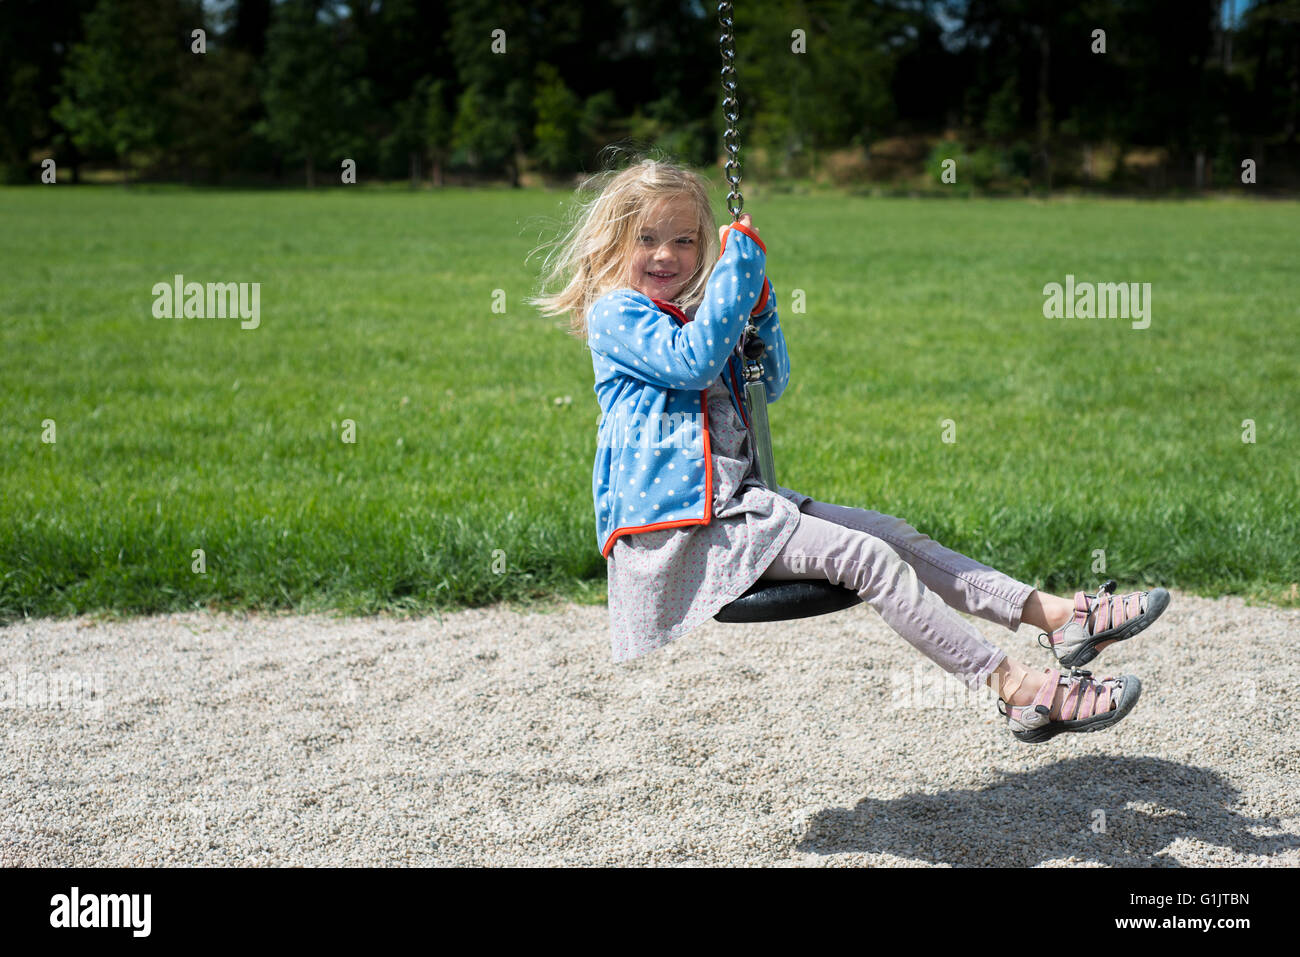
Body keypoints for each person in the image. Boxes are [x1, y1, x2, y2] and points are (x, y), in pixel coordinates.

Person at [529, 156, 1169, 743]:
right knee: (869, 558)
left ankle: (1059, 617)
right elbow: (691, 364)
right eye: (646, 238)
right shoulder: (617, 313)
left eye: (685, 239)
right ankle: (1021, 690)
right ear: (614, 245)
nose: (666, 254)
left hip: (735, 507)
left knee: (896, 536)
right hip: (681, 532)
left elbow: (770, 381)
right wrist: (735, 280)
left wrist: (762, 309)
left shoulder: (702, 316)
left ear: (703, 250)